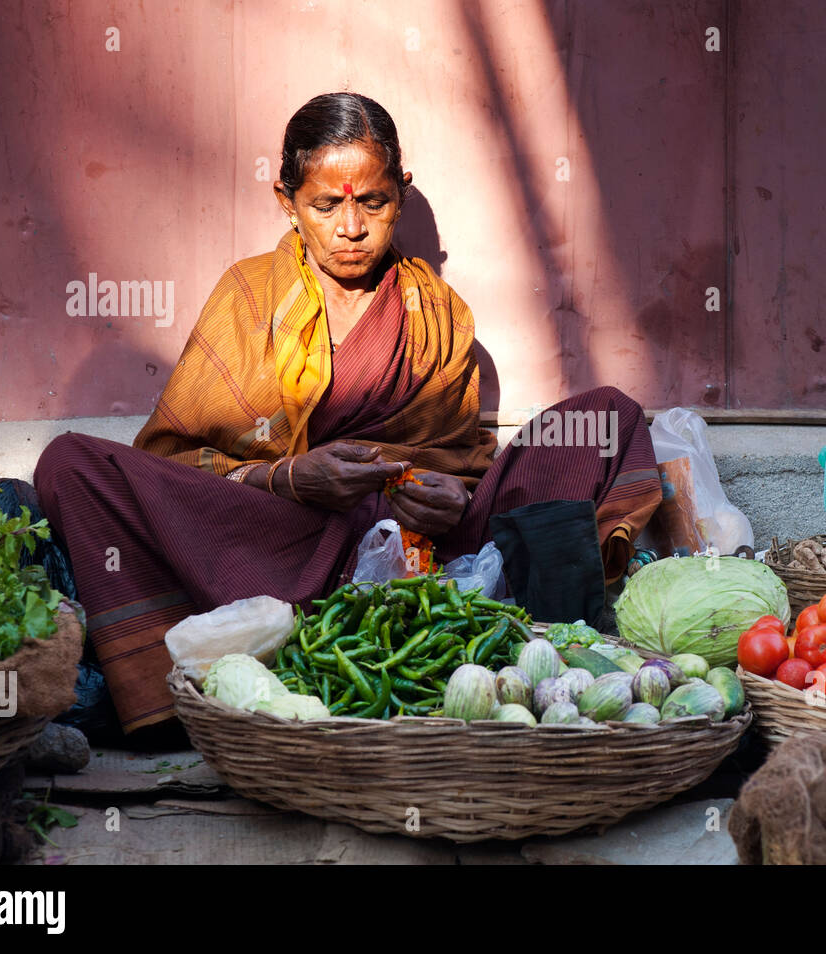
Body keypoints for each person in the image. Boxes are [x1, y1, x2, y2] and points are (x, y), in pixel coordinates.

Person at [34, 92, 663, 733]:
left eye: (373, 202)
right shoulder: (249, 297)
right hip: (278, 538)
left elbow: (464, 468)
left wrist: (448, 495)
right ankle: (183, 684)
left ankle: (544, 656)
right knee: (72, 463)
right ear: (287, 201)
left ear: (402, 193)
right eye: (326, 204)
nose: (351, 227)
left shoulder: (435, 310)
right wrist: (291, 477)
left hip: (424, 554)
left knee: (606, 418)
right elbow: (173, 458)